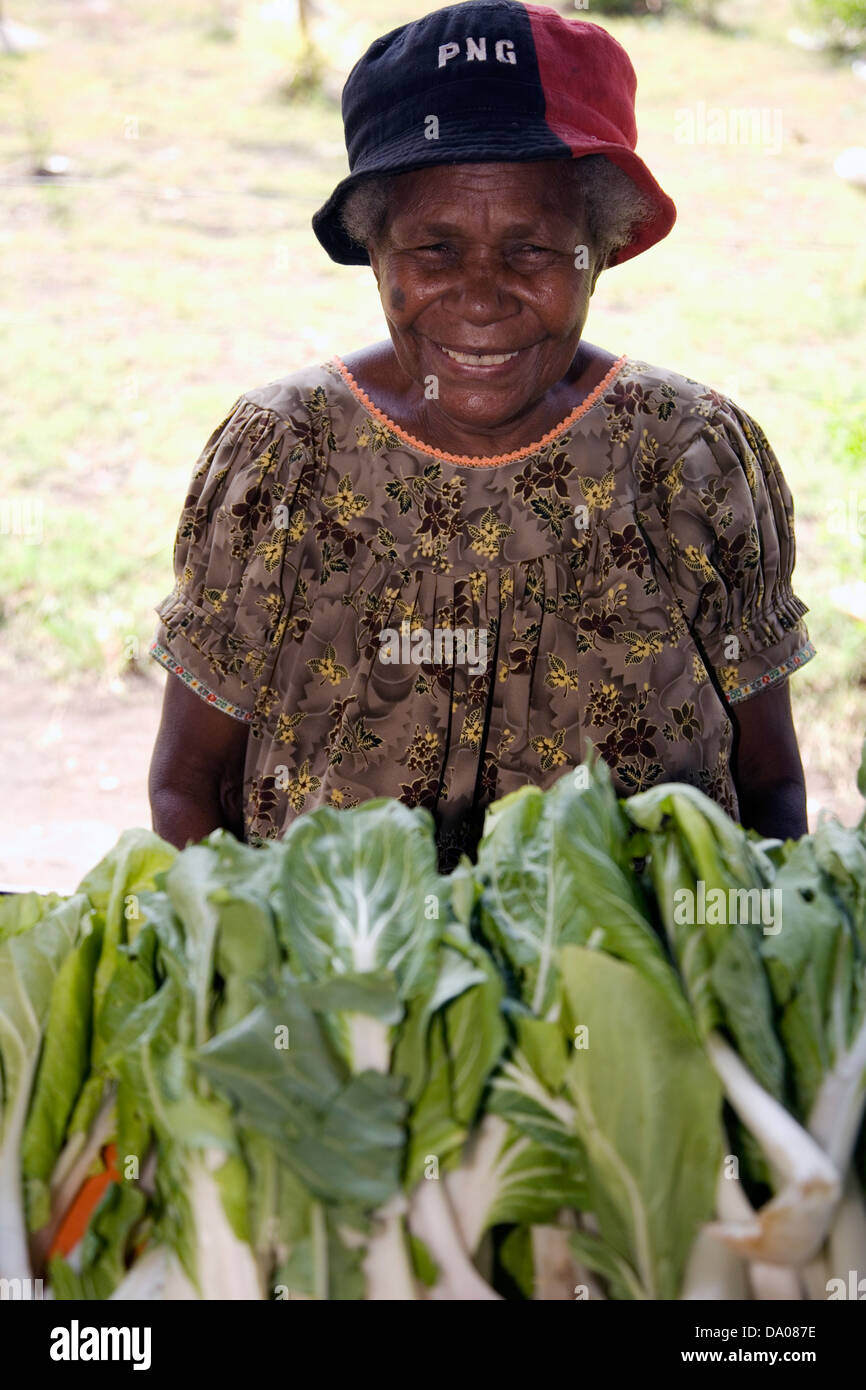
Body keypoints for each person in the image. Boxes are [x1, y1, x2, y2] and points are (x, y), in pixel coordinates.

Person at [148, 0, 814, 873]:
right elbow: (188, 787)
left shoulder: (688, 455)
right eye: (435, 248)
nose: (481, 295)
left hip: (629, 989)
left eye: (532, 250)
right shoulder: (285, 457)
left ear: (601, 250)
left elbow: (772, 792)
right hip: (346, 991)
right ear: (375, 248)